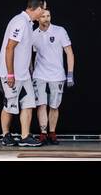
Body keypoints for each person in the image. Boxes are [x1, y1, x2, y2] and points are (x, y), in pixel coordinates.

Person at [0, 0, 46, 147]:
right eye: (42, 9)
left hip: (24, 74)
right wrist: (10, 74)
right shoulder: (20, 22)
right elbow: (10, 47)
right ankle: (5, 135)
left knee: (29, 104)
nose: (43, 13)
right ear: (36, 9)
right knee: (9, 106)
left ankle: (25, 137)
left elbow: (26, 49)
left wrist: (29, 69)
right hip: (9, 74)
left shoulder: (29, 24)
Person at [31, 8, 75, 144]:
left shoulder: (60, 31)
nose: (46, 18)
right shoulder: (33, 34)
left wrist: (70, 74)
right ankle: (43, 133)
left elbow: (69, 52)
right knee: (41, 104)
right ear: (38, 18)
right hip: (39, 74)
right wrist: (31, 72)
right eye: (43, 16)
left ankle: (52, 133)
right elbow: (30, 56)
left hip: (57, 75)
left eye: (48, 16)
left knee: (54, 105)